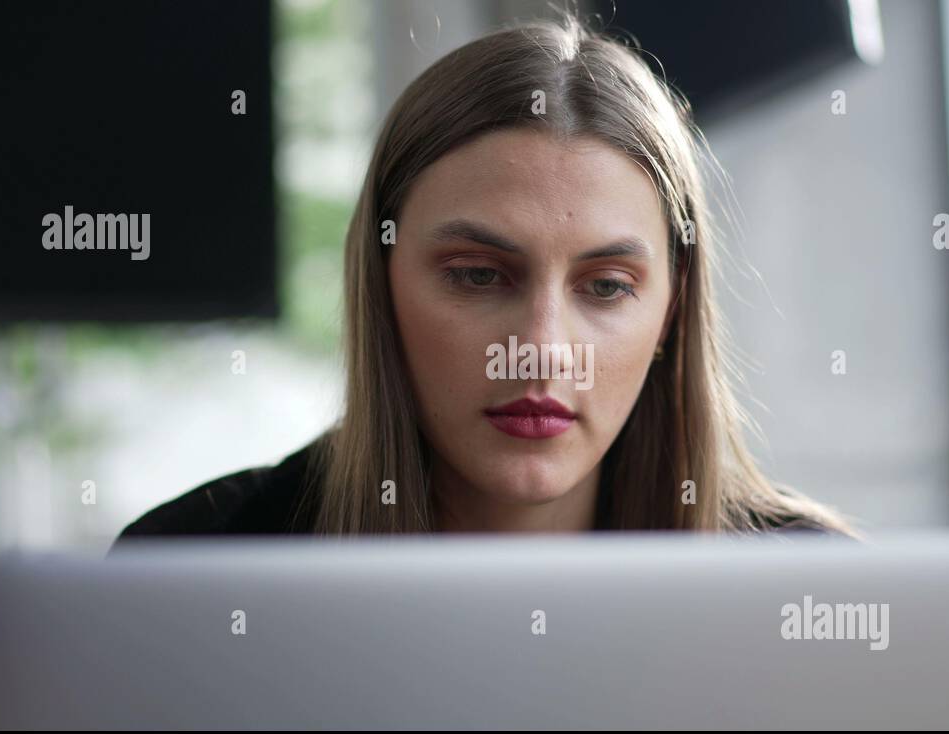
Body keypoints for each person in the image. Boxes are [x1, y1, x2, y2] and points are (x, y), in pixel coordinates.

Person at [115, 12, 859, 546]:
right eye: (477, 275)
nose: (539, 349)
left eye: (605, 286)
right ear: (382, 284)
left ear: (672, 310)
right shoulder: (196, 564)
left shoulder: (802, 590)